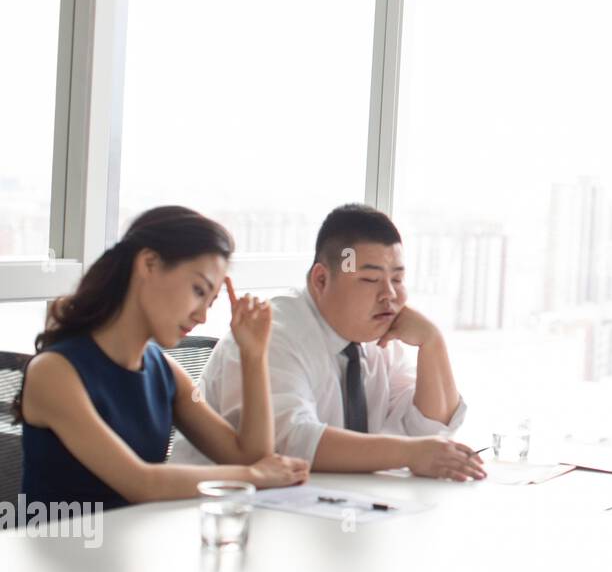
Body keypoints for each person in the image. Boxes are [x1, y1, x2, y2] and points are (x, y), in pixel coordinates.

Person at [16, 206, 309, 509]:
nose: (202, 316)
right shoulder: (53, 373)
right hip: (61, 550)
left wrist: (253, 354)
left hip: (129, 546)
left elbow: (249, 454)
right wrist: (253, 475)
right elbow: (142, 484)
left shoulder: (165, 372)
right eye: (198, 290)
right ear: (149, 263)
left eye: (211, 302)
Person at [173, 204, 484, 481]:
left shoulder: (380, 334)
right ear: (321, 280)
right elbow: (292, 441)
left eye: (398, 279)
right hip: (211, 512)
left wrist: (432, 343)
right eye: (370, 279)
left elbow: (428, 430)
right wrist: (410, 453)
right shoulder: (276, 331)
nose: (389, 294)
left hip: (317, 508)